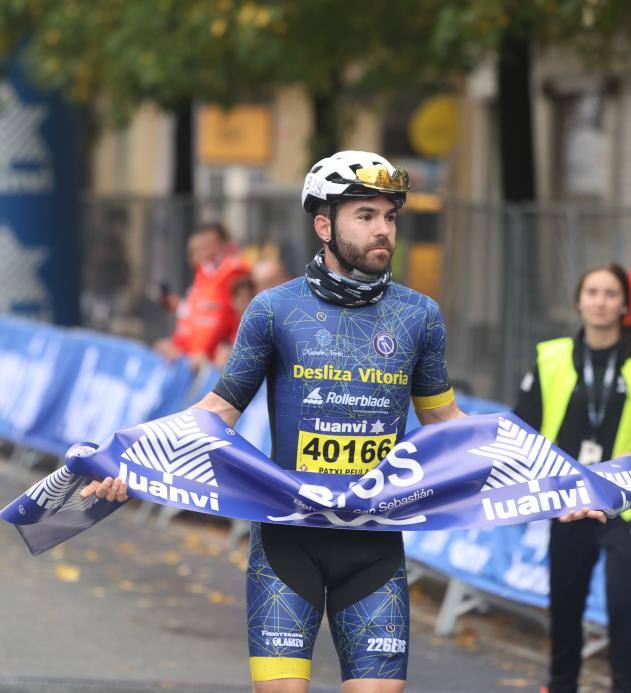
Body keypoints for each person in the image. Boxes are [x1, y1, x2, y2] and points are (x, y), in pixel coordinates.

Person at [82, 151, 602, 691]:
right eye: (366, 216)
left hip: (374, 547)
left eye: (390, 217)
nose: (384, 231)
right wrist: (124, 460)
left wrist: (553, 485)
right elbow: (215, 414)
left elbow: (449, 424)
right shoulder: (273, 310)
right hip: (288, 544)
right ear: (324, 225)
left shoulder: (418, 314)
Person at [513, 263, 631, 693]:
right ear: (578, 301)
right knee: (566, 605)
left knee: (624, 605)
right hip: (571, 503)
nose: (600, 301)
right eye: (591, 291)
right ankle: (561, 685)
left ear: (625, 304)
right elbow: (524, 426)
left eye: (610, 293)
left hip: (626, 506)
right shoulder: (549, 356)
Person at [154, 222, 249, 369]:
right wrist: (176, 346)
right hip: (195, 362)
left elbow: (226, 318)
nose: (204, 252)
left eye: (210, 245)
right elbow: (194, 321)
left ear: (224, 245)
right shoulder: (203, 277)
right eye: (195, 250)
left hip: (217, 363)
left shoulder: (234, 272)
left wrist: (208, 353)